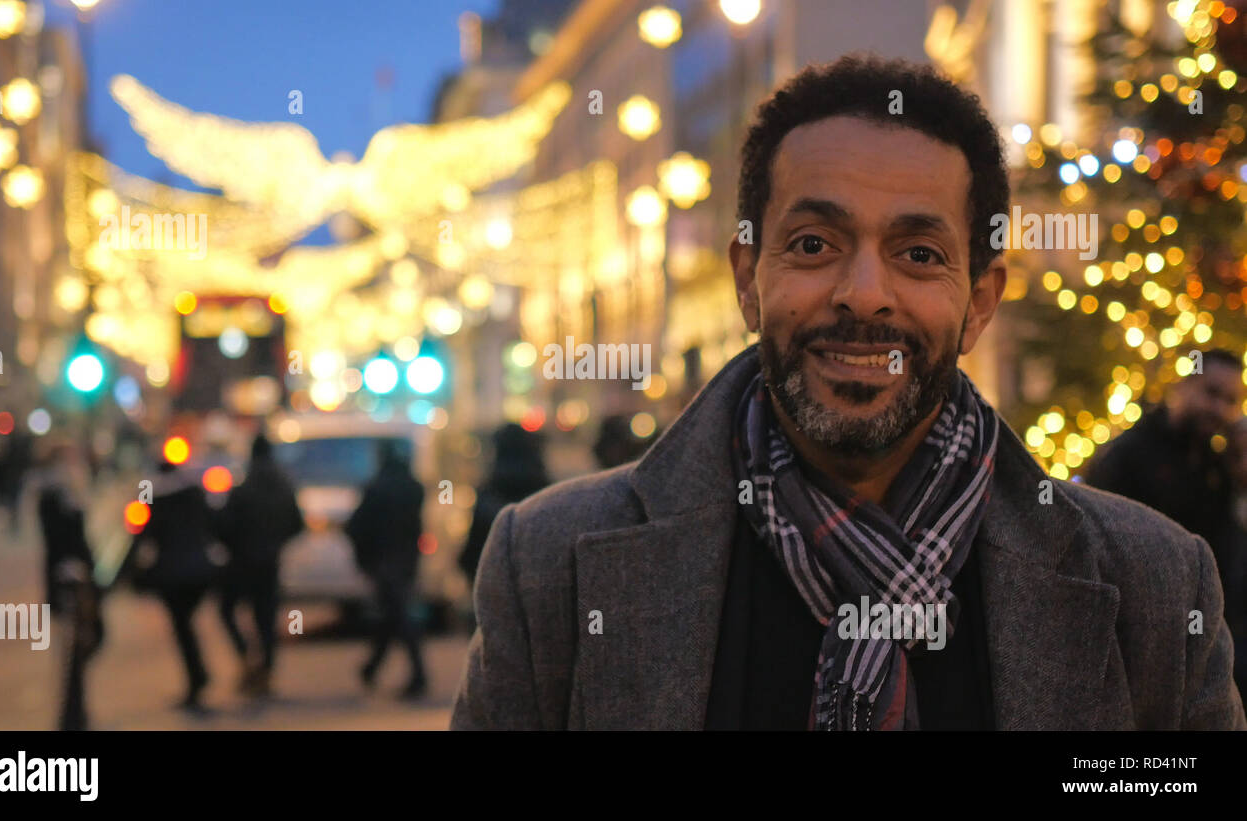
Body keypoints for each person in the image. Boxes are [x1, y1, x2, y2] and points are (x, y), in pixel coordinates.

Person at [451, 55, 1245, 731]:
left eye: (919, 253)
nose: (864, 294)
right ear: (748, 281)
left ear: (979, 301)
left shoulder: (1155, 586)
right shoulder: (551, 570)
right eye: (812, 244)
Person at [1085, 349, 1245, 599]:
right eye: (1211, 393)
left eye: (1231, 401)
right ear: (1184, 385)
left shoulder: (1218, 464)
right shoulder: (1131, 453)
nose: (1219, 409)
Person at [126, 460, 222, 710]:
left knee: (183, 629)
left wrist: (128, 574)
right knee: (186, 627)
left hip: (172, 576)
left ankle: (197, 679)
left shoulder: (156, 501)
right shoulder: (195, 495)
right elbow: (216, 527)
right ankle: (198, 677)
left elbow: (140, 540)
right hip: (200, 572)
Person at [215, 434, 304, 697]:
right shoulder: (283, 488)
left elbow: (224, 526)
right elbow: (296, 524)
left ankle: (247, 658)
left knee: (228, 611)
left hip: (241, 563)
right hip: (270, 562)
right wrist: (276, 543)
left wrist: (234, 546)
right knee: (266, 619)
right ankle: (265, 671)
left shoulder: (244, 488)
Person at [345, 439, 428, 698]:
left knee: (397, 616)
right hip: (405, 560)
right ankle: (374, 668)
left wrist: (365, 559)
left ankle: (415, 675)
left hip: (385, 561)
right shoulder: (412, 488)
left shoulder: (377, 488)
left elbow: (356, 527)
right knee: (393, 615)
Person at [34, 441, 103, 731]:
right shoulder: (54, 495)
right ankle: (72, 716)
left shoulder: (68, 493)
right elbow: (61, 542)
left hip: (77, 579)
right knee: (73, 650)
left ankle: (76, 712)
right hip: (69, 582)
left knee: (83, 645)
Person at [459, 424, 550, 591]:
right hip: (541, 591)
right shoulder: (549, 494)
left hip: (495, 590)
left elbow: (471, 555)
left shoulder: (488, 494)